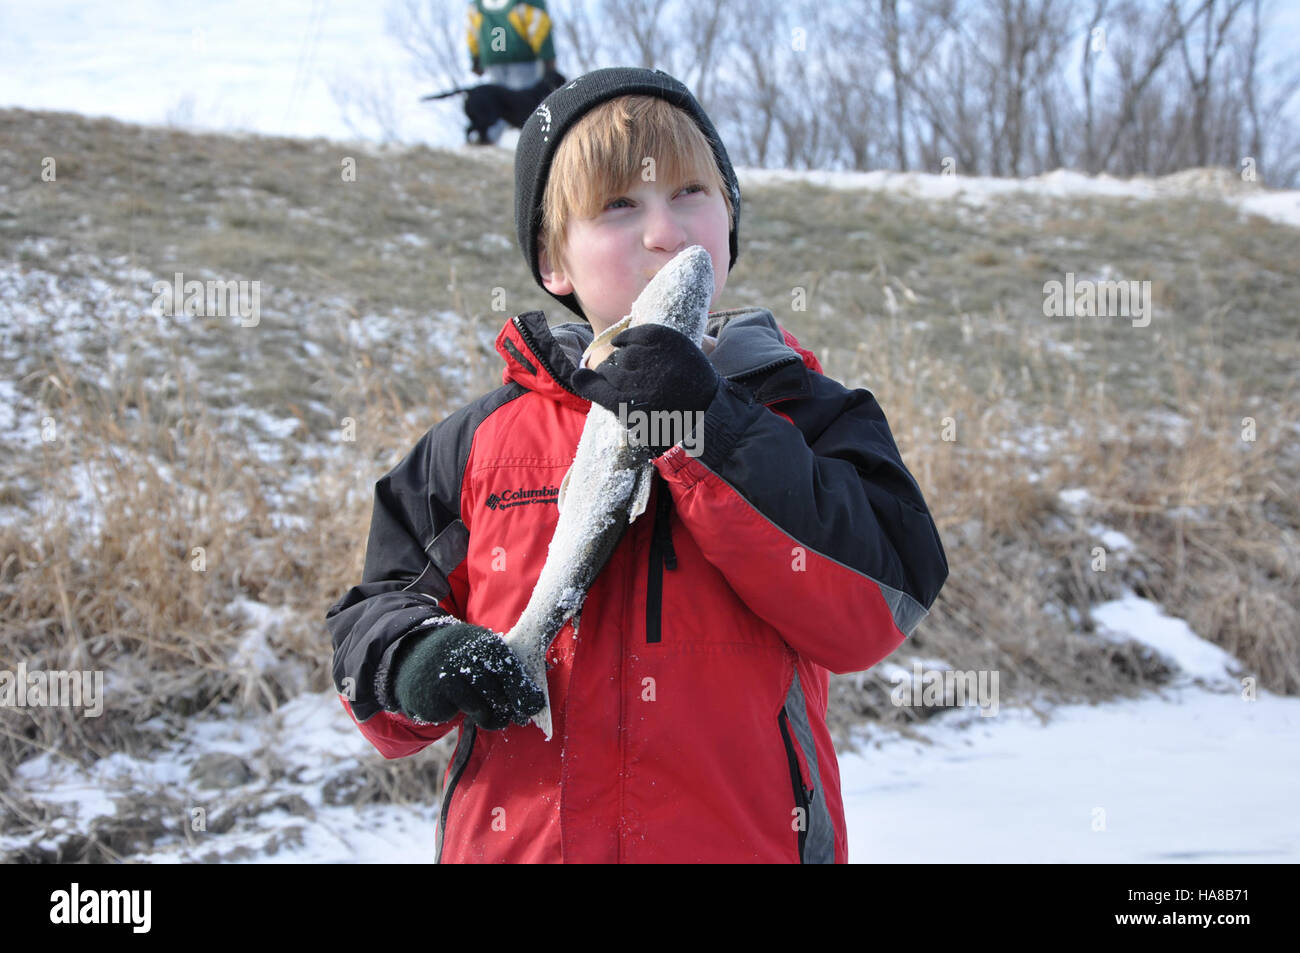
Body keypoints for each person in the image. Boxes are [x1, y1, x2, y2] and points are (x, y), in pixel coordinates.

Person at [325, 67, 949, 863]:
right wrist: (417, 661)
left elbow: (878, 604)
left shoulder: (806, 413)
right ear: (555, 264)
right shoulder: (477, 446)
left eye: (692, 193)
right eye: (620, 206)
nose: (667, 231)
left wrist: (708, 425)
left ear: (728, 221)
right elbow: (370, 614)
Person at [467, 0, 557, 144]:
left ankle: (486, 142)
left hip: (493, 58)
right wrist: (548, 58)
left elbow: (472, 30)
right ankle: (531, 145)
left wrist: (475, 58)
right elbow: (541, 25)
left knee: (498, 104)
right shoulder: (527, 3)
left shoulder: (478, 5)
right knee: (526, 107)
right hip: (522, 58)